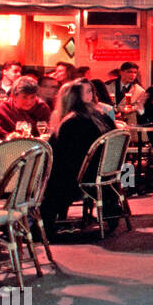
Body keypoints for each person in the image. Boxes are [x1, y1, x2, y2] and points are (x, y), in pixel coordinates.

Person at [40, 79, 116, 235]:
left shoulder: (73, 121)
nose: (91, 94)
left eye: (90, 91)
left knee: (41, 175)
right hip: (102, 170)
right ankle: (54, 220)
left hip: (81, 174)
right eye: (88, 91)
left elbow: (63, 155)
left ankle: (41, 226)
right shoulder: (100, 116)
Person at [0, 76, 52, 144]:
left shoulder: (42, 107)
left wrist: (44, 137)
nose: (29, 102)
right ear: (13, 96)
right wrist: (8, 138)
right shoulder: (3, 109)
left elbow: (49, 132)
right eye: (24, 97)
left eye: (32, 97)